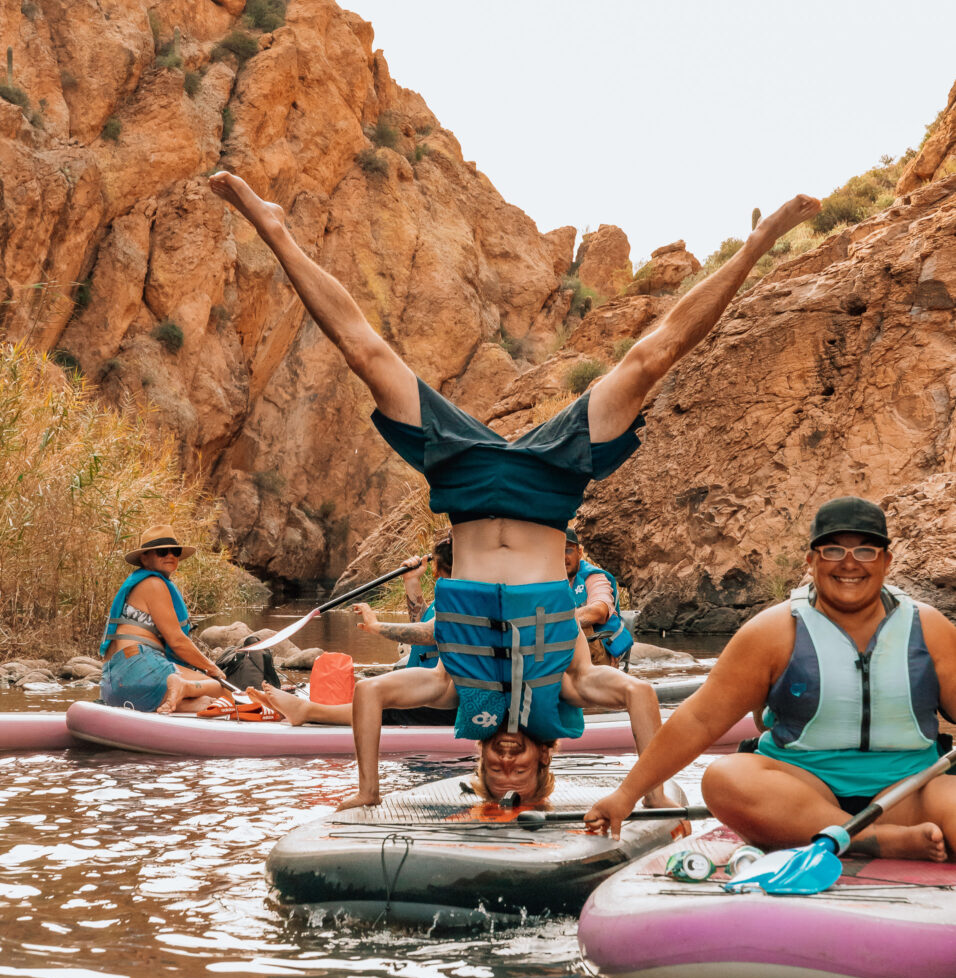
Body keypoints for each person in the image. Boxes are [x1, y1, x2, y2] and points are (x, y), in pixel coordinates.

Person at [208, 170, 820, 808]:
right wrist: (655, 794)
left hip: (465, 483)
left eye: (496, 777)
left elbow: (370, 694)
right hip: (548, 485)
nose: (507, 769)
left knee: (366, 354)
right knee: (649, 360)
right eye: (519, 779)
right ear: (543, 765)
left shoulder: (452, 687)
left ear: (480, 762)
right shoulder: (568, 685)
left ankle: (271, 226)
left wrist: (368, 792)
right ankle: (758, 245)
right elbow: (638, 694)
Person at [585, 497, 956, 862]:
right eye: (832, 551)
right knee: (724, 778)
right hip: (800, 793)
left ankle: (853, 835)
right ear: (811, 561)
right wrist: (626, 794)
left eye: (865, 551)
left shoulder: (930, 629)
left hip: (909, 792)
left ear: (886, 561)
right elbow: (699, 720)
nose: (848, 563)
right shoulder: (772, 632)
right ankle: (871, 840)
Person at [247, 534, 456, 726]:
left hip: (444, 701)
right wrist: (411, 581)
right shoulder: (449, 596)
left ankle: (306, 711)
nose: (433, 571)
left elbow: (430, 632)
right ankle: (293, 709)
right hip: (426, 689)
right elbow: (421, 630)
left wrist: (376, 626)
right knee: (363, 686)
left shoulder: (464, 600)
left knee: (385, 705)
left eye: (437, 567)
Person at [100, 524, 227, 713]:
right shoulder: (154, 584)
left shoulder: (139, 583)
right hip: (139, 671)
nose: (170, 556)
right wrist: (213, 669)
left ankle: (183, 704)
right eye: (161, 551)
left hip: (113, 687)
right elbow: (176, 641)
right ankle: (185, 688)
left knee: (205, 700)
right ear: (144, 558)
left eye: (174, 551)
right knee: (222, 689)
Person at [565, 526, 633, 667]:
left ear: (580, 552)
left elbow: (599, 612)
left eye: (568, 550)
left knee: (581, 627)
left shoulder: (594, 577)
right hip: (567, 652)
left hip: (600, 653)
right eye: (556, 551)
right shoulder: (548, 579)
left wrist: (557, 621)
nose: (562, 557)